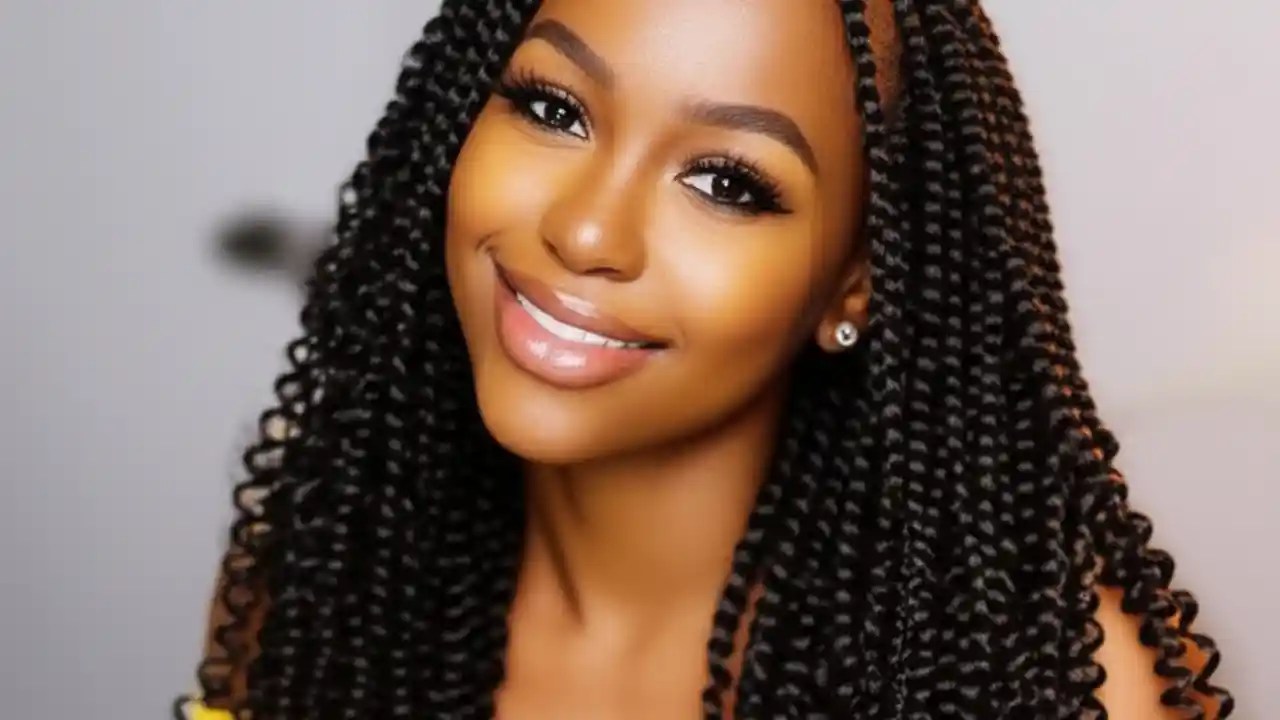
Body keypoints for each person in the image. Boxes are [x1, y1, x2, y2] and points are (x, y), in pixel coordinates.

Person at [176, 0, 1235, 717]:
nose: (587, 231)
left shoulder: (1074, 686)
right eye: (552, 108)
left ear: (856, 283)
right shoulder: (316, 583)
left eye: (727, 183)